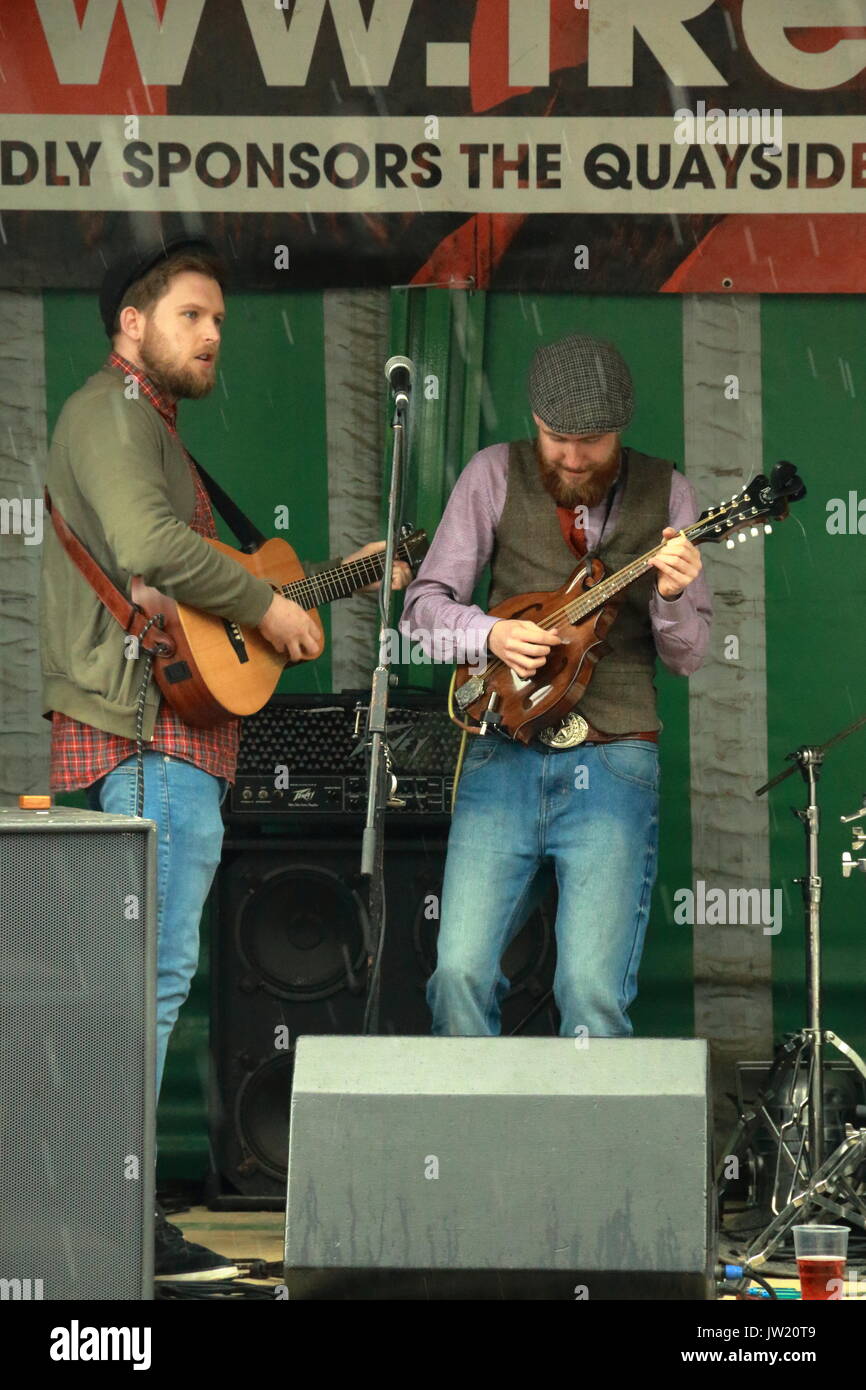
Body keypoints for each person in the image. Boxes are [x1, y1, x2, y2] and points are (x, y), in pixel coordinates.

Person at [39, 236, 409, 1281]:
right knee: (144, 985)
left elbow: (193, 574)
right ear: (132, 325)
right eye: (191, 315)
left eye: (218, 321)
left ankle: (104, 1209)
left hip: (174, 735)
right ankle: (108, 1218)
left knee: (136, 984)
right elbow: (152, 549)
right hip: (148, 736)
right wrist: (266, 604)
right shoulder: (112, 413)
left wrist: (316, 588)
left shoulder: (147, 426)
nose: (210, 335)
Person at [401, 333, 712, 1040]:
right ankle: (475, 1149)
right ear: (533, 422)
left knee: (590, 995)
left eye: (593, 442)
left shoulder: (671, 493)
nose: (573, 457)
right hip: (500, 752)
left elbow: (689, 657)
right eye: (556, 438)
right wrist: (489, 634)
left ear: (622, 429)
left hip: (614, 761)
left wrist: (668, 596)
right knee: (458, 974)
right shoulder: (492, 473)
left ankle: (585, 1153)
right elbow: (422, 610)